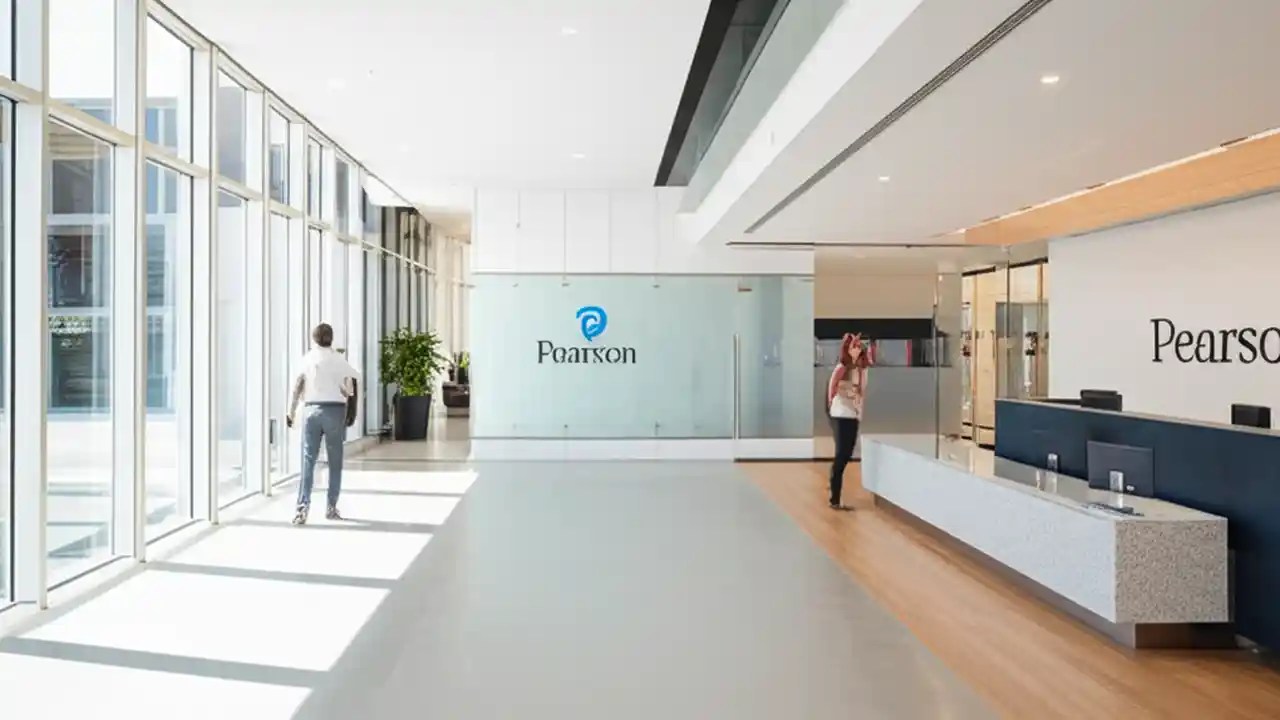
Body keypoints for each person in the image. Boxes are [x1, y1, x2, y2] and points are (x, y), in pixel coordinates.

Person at [287, 323, 359, 525]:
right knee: (335, 462)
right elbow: (351, 386)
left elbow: (297, 387)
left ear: (314, 338)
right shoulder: (338, 359)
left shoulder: (307, 359)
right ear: (331, 338)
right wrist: (350, 406)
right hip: (334, 412)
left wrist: (290, 411)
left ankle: (302, 508)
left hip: (311, 411)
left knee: (308, 460)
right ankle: (331, 507)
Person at [827, 333, 871, 510]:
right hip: (841, 413)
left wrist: (859, 411)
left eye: (859, 347)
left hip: (852, 414)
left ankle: (835, 495)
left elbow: (862, 392)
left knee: (845, 454)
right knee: (842, 455)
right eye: (854, 346)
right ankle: (835, 498)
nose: (857, 349)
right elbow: (832, 389)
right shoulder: (842, 368)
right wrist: (833, 407)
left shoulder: (861, 370)